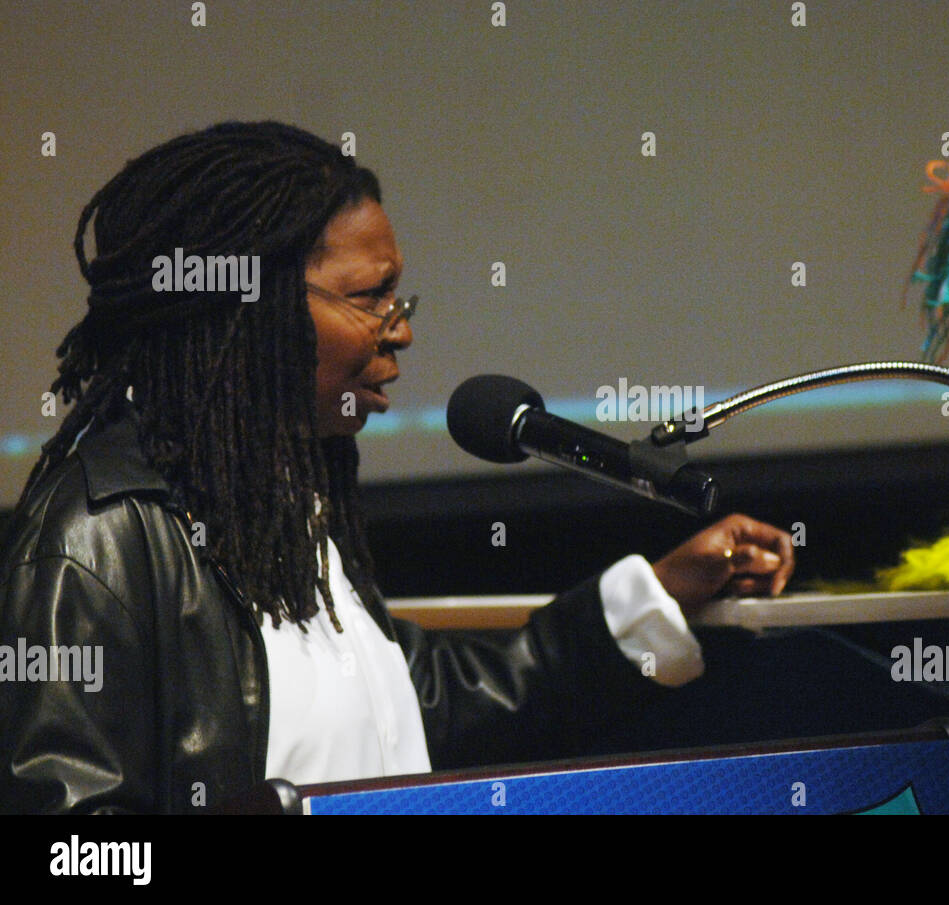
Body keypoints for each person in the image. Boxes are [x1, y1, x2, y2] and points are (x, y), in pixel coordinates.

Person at [0, 121, 795, 814]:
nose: (399, 331)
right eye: (371, 297)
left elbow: (415, 719)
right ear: (249, 308)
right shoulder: (96, 538)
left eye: (399, 299)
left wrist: (656, 595)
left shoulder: (281, 497)